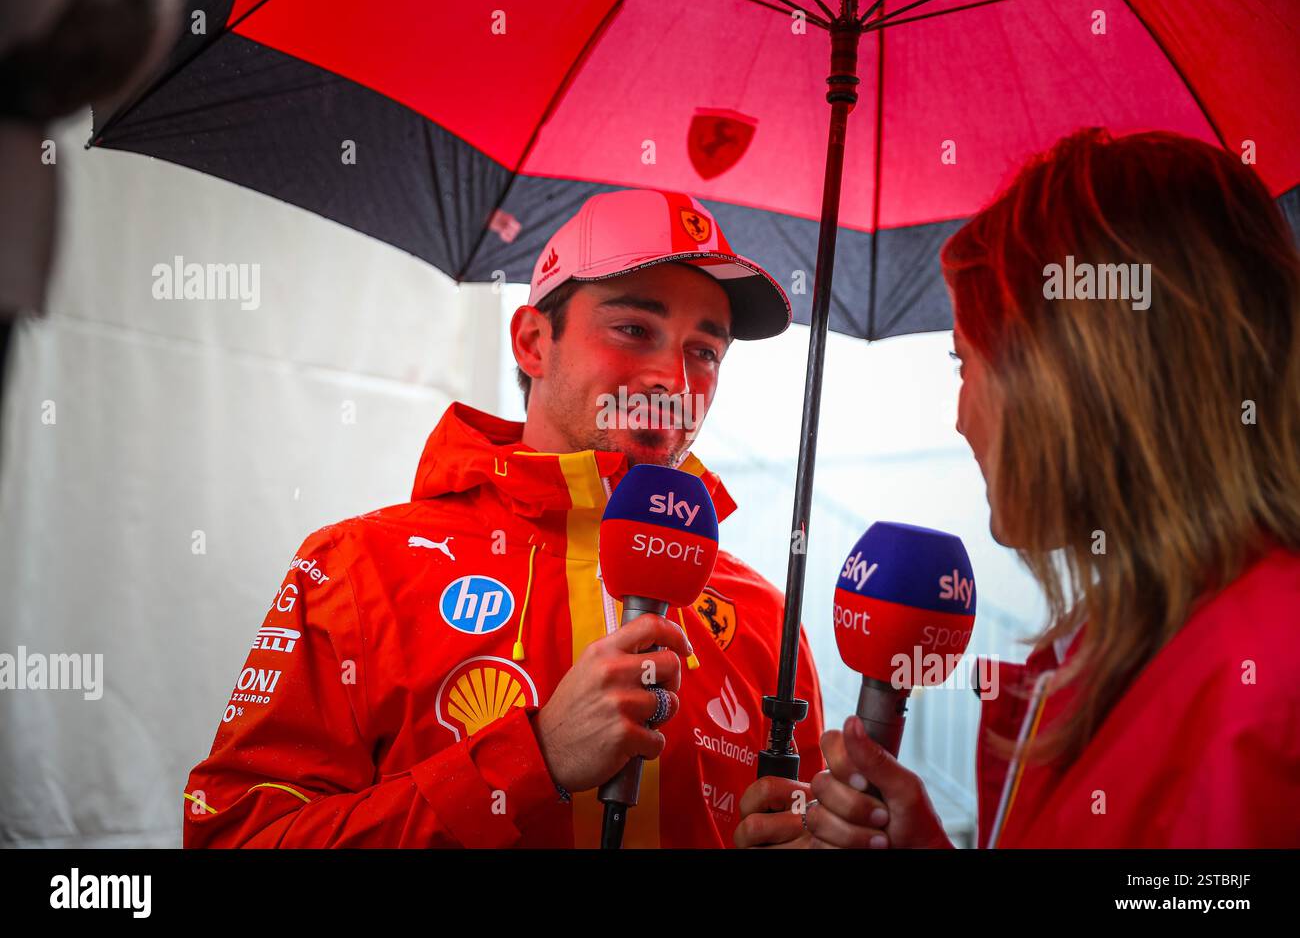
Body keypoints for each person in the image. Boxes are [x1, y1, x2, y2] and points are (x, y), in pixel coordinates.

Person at [183, 188, 825, 848]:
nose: (673, 378)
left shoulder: (766, 622)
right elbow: (235, 838)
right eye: (635, 330)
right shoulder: (356, 568)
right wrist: (530, 759)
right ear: (532, 342)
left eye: (704, 352)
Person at [738, 127, 1300, 849]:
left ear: (1072, 370)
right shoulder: (1127, 652)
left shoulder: (1266, 683)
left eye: (963, 363)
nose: (961, 417)